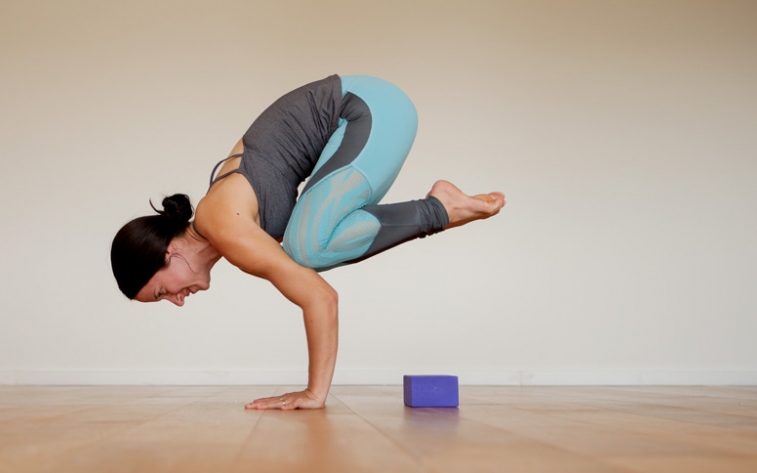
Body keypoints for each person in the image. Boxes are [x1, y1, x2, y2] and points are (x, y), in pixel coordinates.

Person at [110, 74, 505, 411]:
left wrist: (314, 393)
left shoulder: (223, 226)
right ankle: (440, 208)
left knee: (307, 249)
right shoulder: (230, 227)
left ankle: (441, 208)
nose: (177, 301)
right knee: (306, 244)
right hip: (375, 111)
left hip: (369, 109)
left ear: (169, 252)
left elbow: (320, 297)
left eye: (163, 291)